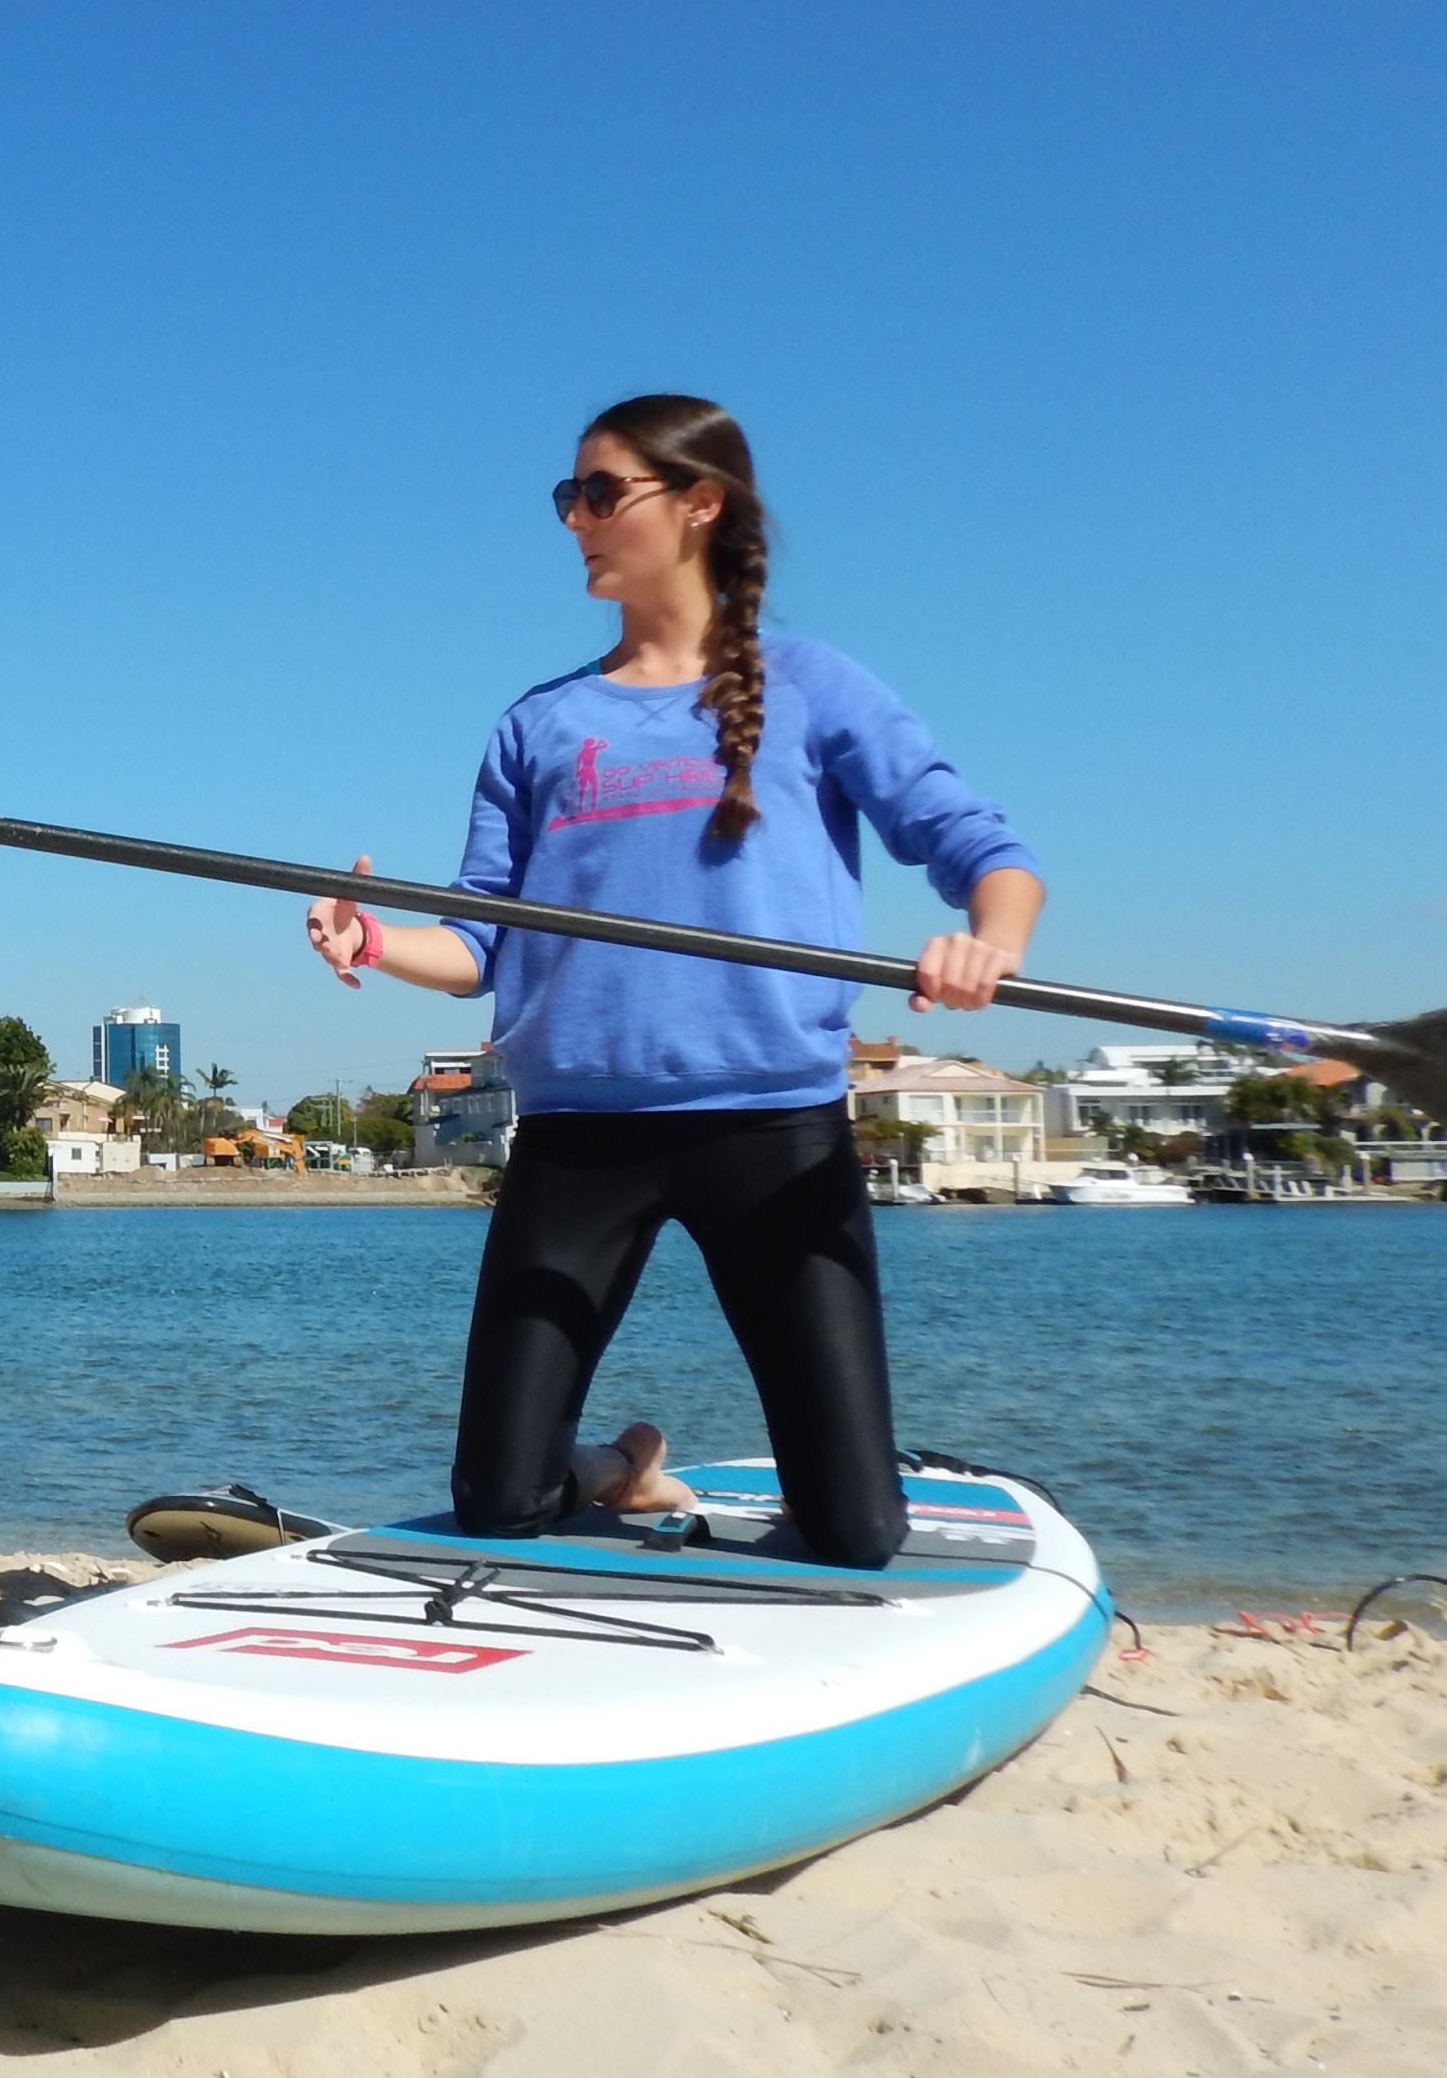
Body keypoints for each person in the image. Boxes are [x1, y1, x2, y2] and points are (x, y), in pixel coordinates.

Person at [307, 395, 1041, 1568]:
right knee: (499, 1500)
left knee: (856, 1532)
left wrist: (987, 941)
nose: (577, 520)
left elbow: (981, 849)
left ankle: (810, 1484)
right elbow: (479, 943)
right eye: (569, 497)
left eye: (602, 494)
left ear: (700, 503)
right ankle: (619, 1471)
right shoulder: (540, 724)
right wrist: (374, 942)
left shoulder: (814, 687)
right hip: (579, 1137)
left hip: (774, 1130)